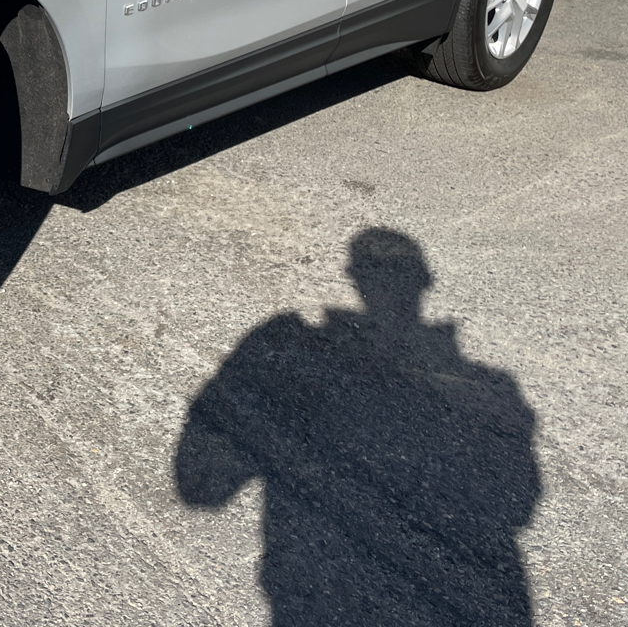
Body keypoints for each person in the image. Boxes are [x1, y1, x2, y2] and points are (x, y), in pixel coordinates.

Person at [175, 228, 540, 626]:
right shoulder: (489, 387)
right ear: (425, 280)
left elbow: (201, 486)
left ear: (354, 278)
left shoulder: (301, 353)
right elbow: (518, 501)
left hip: (322, 595)